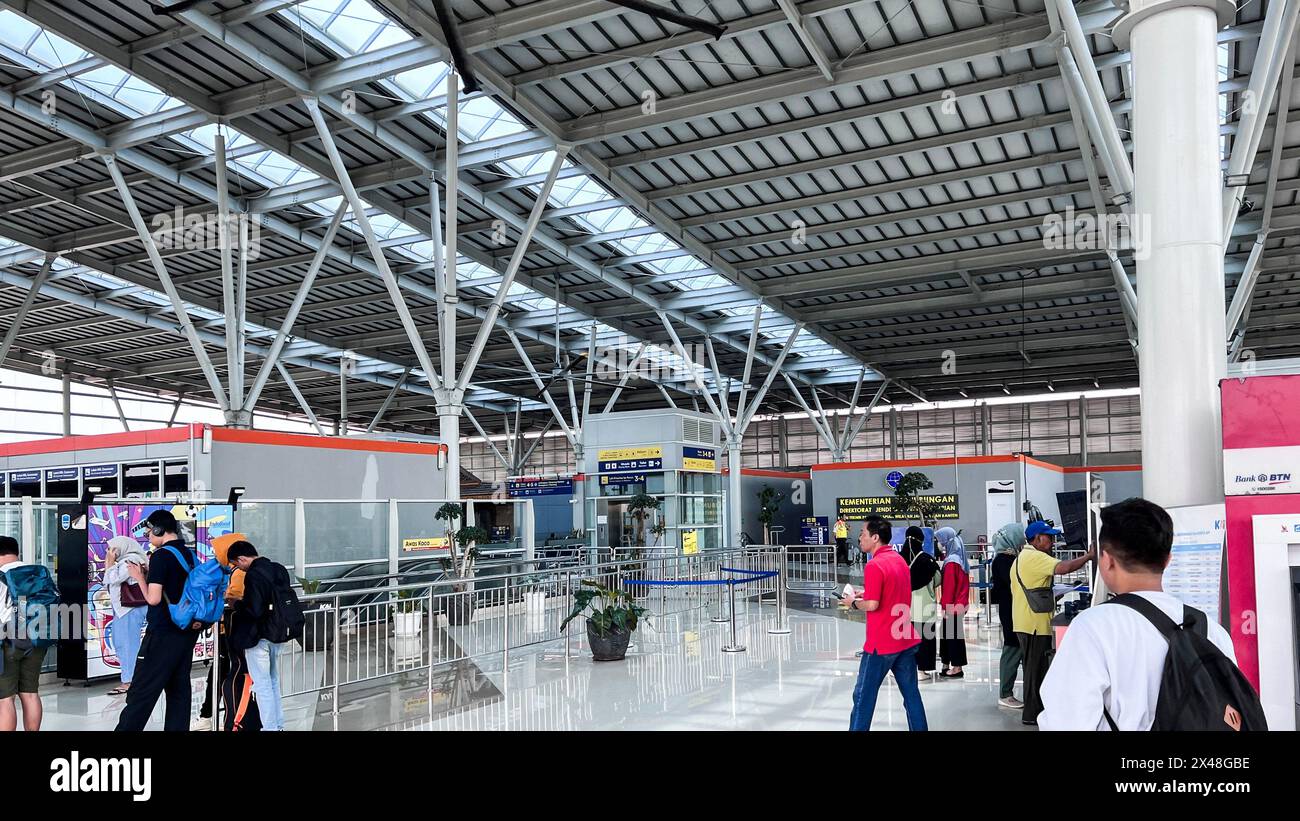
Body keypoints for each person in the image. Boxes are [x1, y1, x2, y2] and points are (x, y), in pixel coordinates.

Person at [1040, 499, 1239, 730]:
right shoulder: (1211, 629)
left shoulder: (1092, 628)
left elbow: (1066, 722)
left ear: (1107, 560)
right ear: (1167, 560)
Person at [116, 509, 205, 732]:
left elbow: (154, 599)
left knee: (142, 689)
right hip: (186, 630)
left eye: (148, 534)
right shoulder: (190, 554)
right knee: (178, 689)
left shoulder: (161, 556)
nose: (148, 538)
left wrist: (139, 578)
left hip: (163, 631)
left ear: (158, 530)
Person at [842, 516, 927, 731]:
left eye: (863, 533)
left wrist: (853, 603)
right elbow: (893, 591)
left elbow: (872, 605)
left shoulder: (874, 565)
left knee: (863, 697)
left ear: (875, 537)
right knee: (911, 696)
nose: (859, 537)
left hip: (881, 645)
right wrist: (867, 593)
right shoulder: (899, 560)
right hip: (905, 639)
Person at [1011, 520, 1095, 725]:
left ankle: (1036, 712)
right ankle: (1032, 715)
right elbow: (1064, 568)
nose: (1053, 540)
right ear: (1037, 538)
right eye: (1049, 537)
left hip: (1026, 620)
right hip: (1034, 624)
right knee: (1035, 670)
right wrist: (1089, 556)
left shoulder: (1023, 557)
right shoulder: (1035, 557)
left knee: (1035, 668)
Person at [227, 540, 297, 731]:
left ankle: (270, 727)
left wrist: (237, 604)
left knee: (262, 684)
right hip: (278, 632)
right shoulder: (278, 569)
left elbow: (255, 610)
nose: (238, 569)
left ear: (242, 559)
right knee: (273, 680)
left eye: (236, 564)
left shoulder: (254, 575)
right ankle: (278, 725)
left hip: (260, 636)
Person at [194, 532, 260, 732]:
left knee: (223, 674)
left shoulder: (239, 573)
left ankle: (214, 716)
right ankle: (219, 716)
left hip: (230, 632)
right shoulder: (233, 571)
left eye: (218, 551)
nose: (215, 555)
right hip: (232, 631)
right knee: (223, 673)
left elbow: (234, 599)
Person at [0, 536, 49, 731]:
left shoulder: (2, 576)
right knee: (30, 693)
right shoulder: (37, 573)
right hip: (37, 639)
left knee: (5, 699)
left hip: (7, 642)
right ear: (16, 552)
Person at [103, 536, 149, 697]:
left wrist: (109, 562)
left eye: (111, 548)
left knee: (126, 645)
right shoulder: (133, 559)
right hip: (127, 608)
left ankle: (129, 681)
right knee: (124, 643)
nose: (108, 552)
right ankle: (131, 679)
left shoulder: (130, 560)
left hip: (129, 608)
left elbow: (110, 578)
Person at [989, 522, 1027, 708]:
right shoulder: (1004, 561)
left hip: (1015, 610)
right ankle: (1005, 693)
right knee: (1012, 649)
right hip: (1011, 612)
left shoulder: (1009, 558)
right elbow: (1015, 583)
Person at [900, 526, 940, 680]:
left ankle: (903, 669)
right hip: (924, 606)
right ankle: (921, 671)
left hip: (903, 607)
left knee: (905, 640)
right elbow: (938, 579)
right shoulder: (927, 560)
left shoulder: (899, 559)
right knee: (924, 640)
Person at [935, 526, 970, 679]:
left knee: (953, 636)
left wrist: (944, 607)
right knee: (948, 635)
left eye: (939, 541)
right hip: (959, 604)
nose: (938, 544)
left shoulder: (951, 562)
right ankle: (947, 663)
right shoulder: (959, 558)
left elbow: (949, 588)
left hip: (952, 606)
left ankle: (957, 667)